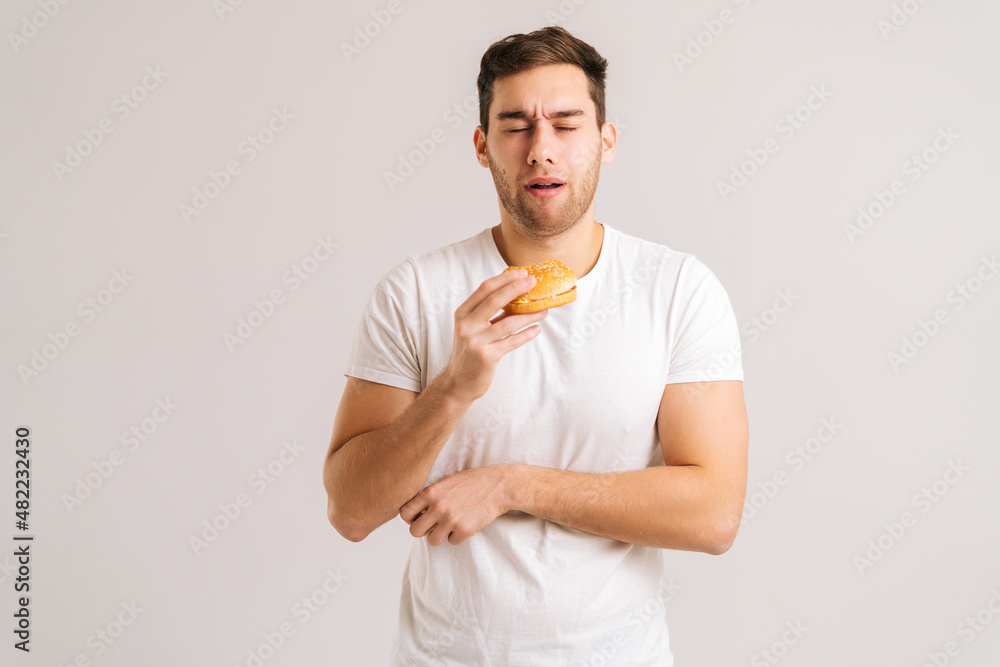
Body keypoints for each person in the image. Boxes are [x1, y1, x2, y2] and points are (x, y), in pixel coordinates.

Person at [324, 25, 748, 666]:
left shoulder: (678, 289)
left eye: (566, 124)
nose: (541, 149)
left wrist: (512, 486)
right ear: (482, 146)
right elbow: (351, 511)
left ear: (606, 140)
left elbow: (714, 516)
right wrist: (453, 390)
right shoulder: (414, 292)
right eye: (516, 125)